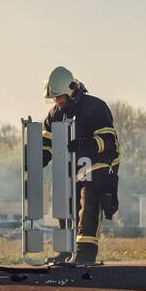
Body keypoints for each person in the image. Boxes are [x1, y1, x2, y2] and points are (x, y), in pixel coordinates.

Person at [41, 66, 120, 266]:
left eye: (59, 97)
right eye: (54, 98)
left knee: (89, 198)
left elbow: (108, 141)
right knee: (63, 203)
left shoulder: (95, 107)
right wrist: (41, 155)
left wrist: (86, 144)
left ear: (71, 90)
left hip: (98, 163)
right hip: (71, 167)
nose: (56, 102)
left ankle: (85, 253)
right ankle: (64, 251)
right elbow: (47, 140)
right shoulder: (55, 114)